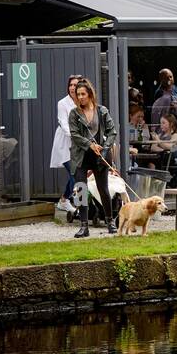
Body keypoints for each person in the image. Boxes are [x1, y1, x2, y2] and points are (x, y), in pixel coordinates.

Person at [69, 78, 119, 237]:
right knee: (80, 190)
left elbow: (112, 131)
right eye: (78, 94)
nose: (80, 97)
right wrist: (89, 145)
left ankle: (110, 221)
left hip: (100, 156)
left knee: (103, 189)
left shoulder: (102, 111)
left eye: (83, 94)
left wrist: (105, 147)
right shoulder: (74, 113)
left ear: (90, 94)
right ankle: (83, 226)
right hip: (81, 155)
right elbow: (74, 135)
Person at [51, 75, 81, 215]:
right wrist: (75, 136)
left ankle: (64, 200)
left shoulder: (84, 101)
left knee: (77, 174)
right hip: (65, 143)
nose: (72, 88)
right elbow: (63, 123)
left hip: (80, 144)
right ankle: (80, 206)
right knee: (75, 173)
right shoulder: (62, 103)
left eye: (75, 85)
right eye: (71, 85)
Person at [152, 70, 177, 137]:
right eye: (167, 77)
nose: (169, 79)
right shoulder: (159, 93)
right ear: (161, 79)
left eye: (171, 77)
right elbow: (160, 111)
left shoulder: (176, 89)